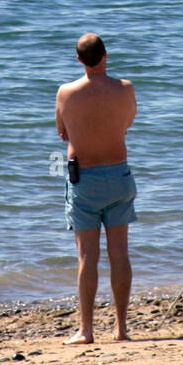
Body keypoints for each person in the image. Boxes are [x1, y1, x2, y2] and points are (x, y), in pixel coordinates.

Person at [56, 33, 137, 345]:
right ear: (106, 56)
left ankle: (86, 330)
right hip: (119, 174)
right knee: (120, 253)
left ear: (79, 60)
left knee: (87, 256)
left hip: (84, 179)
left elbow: (62, 131)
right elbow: (127, 122)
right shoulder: (125, 89)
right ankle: (120, 329)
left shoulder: (66, 93)